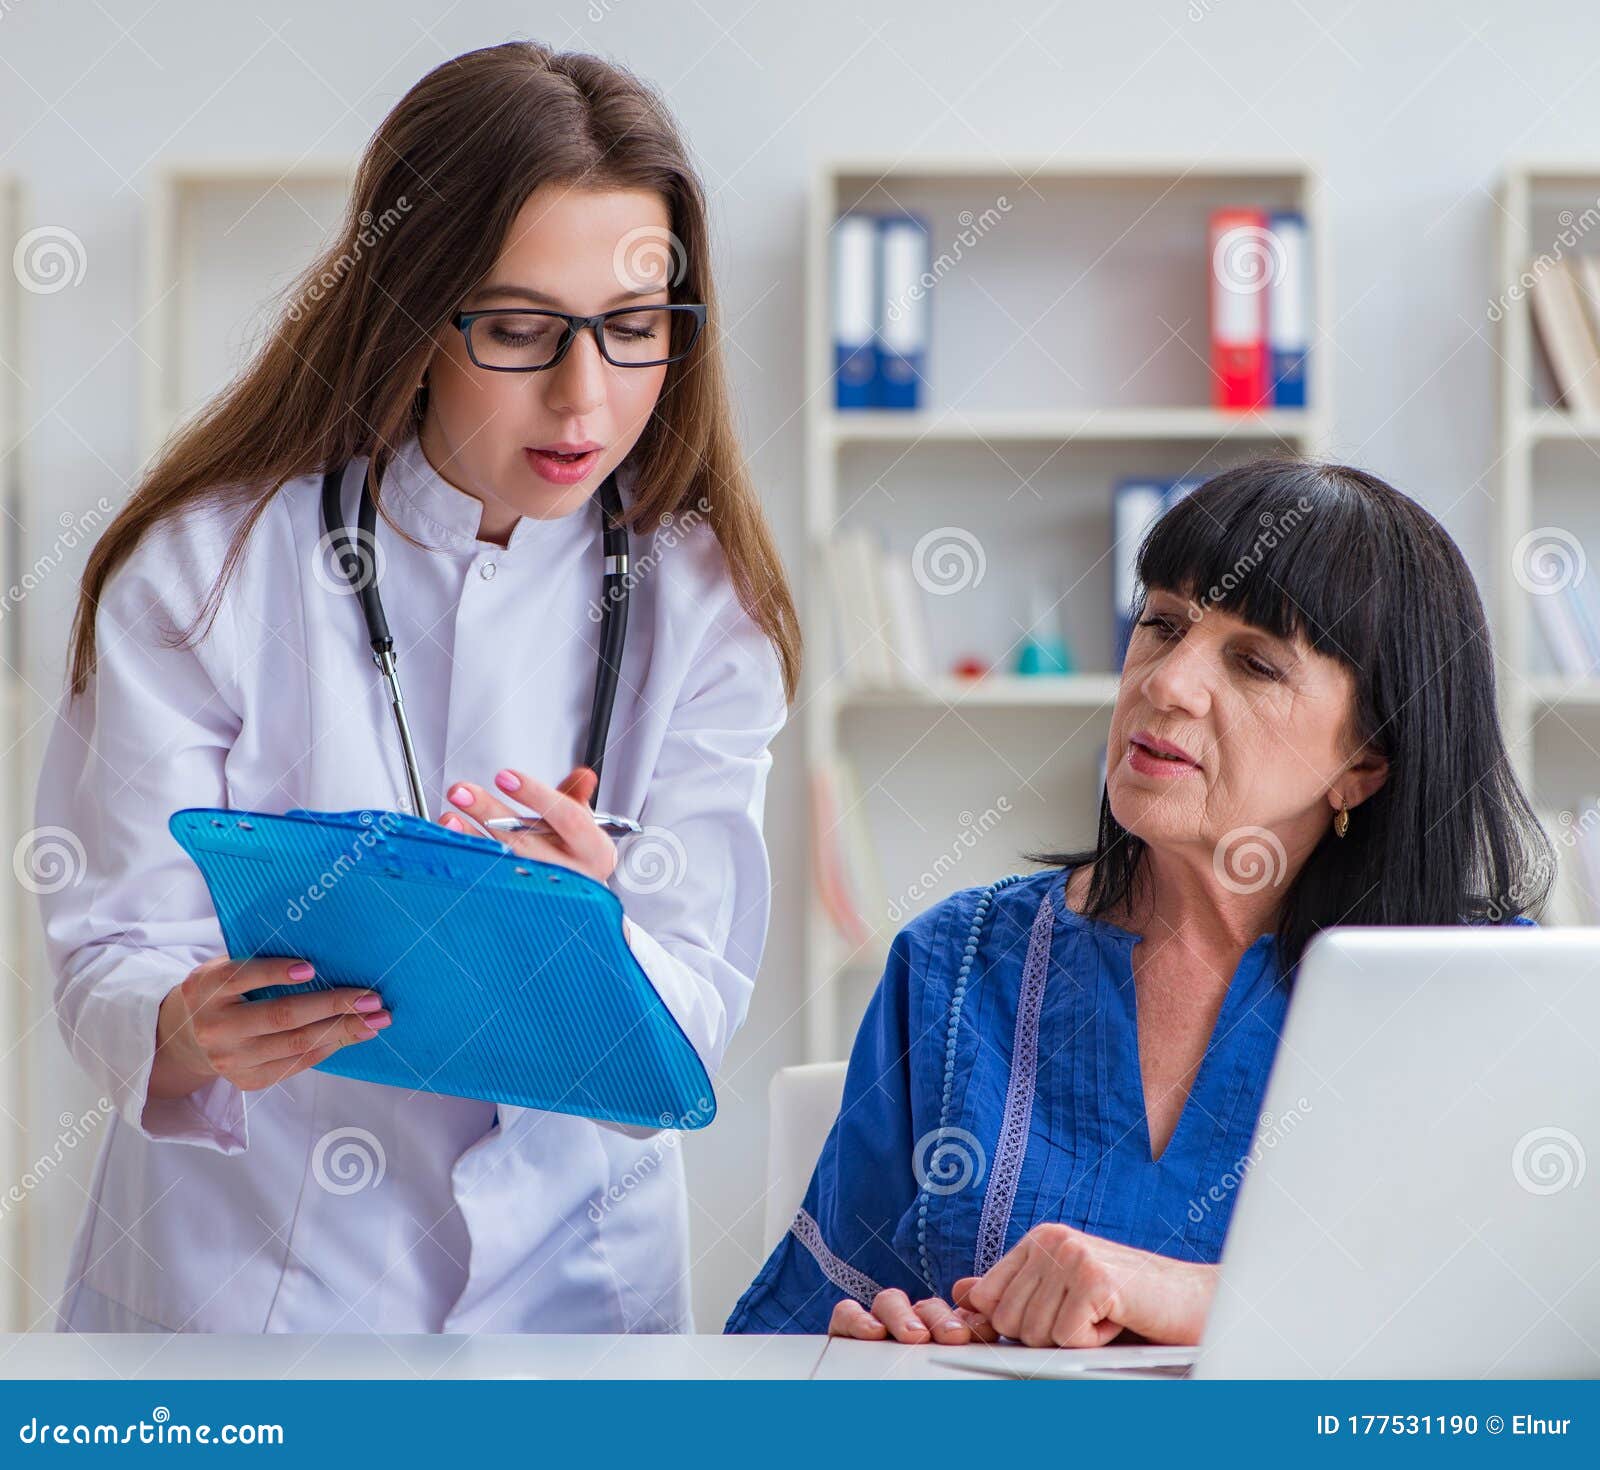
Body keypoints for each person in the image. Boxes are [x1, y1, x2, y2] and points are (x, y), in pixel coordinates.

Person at [36, 40, 799, 1335]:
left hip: (576, 1293)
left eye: (632, 329)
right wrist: (185, 1027)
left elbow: (696, 1005)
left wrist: (599, 932)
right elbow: (111, 945)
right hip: (254, 1286)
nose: (586, 395)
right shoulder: (211, 566)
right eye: (517, 328)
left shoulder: (705, 604)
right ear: (409, 306)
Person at [726, 458, 1546, 1347]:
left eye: (1255, 664)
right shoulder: (954, 964)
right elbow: (796, 1341)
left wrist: (1193, 1298)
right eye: (1161, 624)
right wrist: (865, 1353)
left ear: (1365, 763)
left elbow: (1521, 1332)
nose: (1165, 683)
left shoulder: (1482, 991)